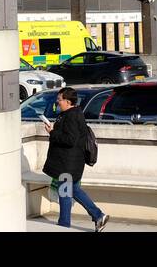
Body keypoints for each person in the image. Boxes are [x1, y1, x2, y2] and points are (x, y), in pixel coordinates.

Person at [41, 87, 108, 232]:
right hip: (72, 163)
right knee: (75, 190)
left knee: (64, 195)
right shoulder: (72, 114)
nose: (57, 102)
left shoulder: (71, 116)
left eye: (59, 100)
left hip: (68, 165)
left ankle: (64, 226)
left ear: (68, 101)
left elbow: (70, 140)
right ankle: (98, 216)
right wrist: (54, 130)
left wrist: (52, 133)